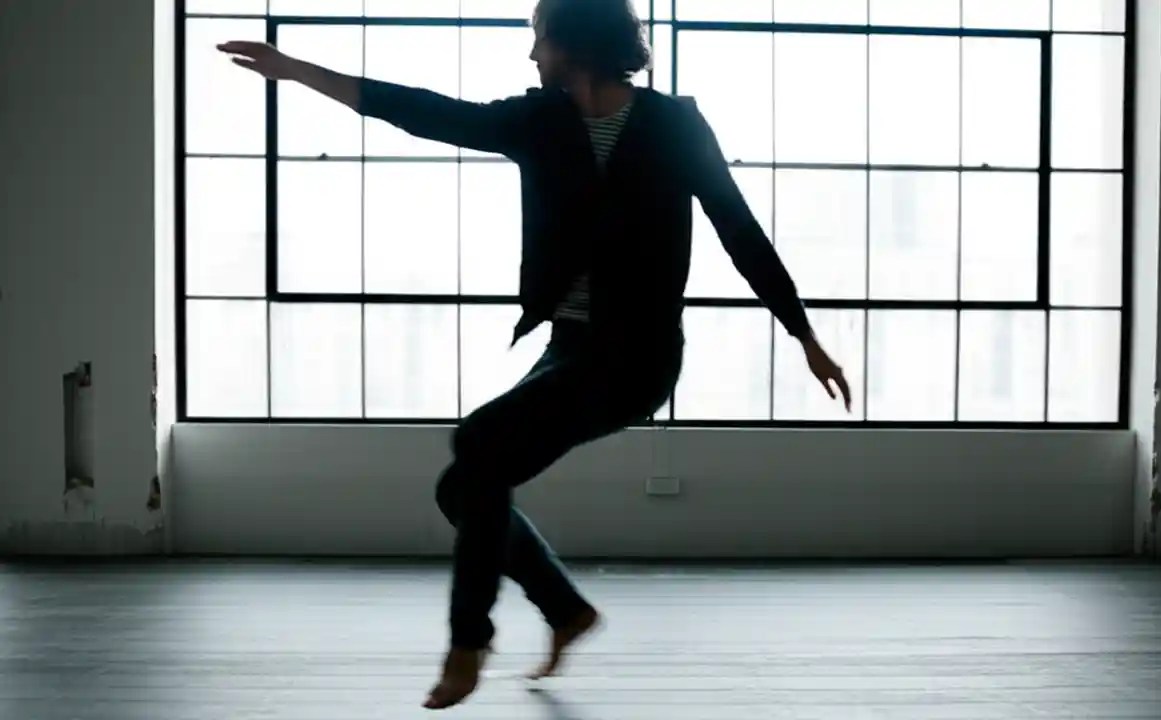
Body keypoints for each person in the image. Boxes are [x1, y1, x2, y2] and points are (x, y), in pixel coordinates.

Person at [218, 0, 851, 709]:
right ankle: (565, 610)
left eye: (538, 40)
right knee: (462, 487)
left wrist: (803, 334)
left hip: (638, 358)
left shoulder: (673, 126)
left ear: (573, 42)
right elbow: (423, 110)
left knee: (477, 442)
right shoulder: (539, 121)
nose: (531, 57)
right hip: (571, 350)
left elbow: (738, 228)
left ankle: (469, 640)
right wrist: (298, 72)